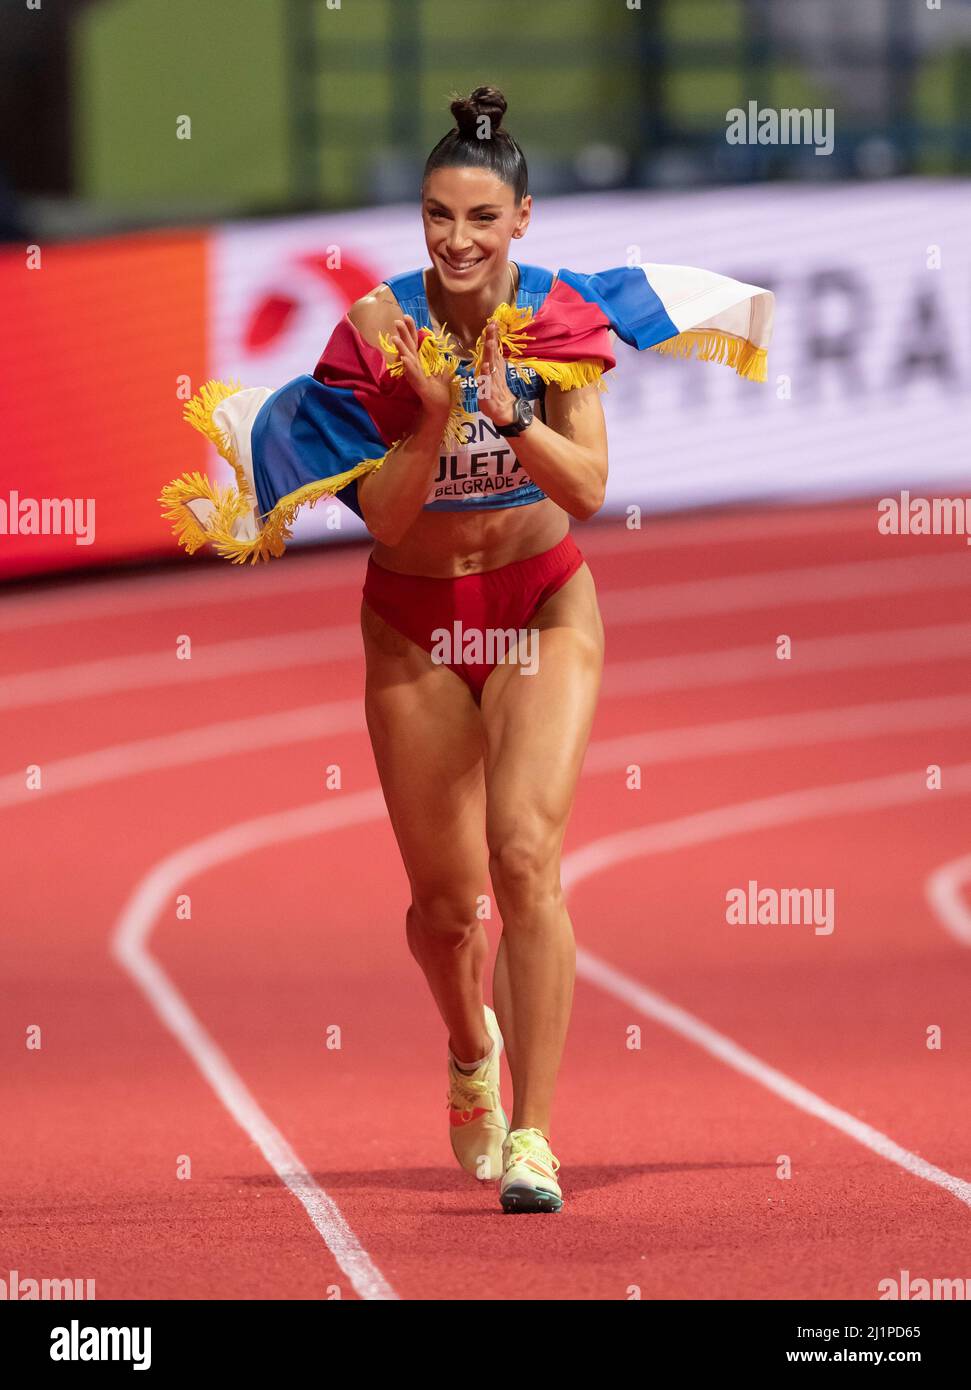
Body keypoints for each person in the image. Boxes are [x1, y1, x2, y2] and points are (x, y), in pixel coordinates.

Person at [343, 85, 607, 1213]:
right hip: (414, 623)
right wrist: (436, 411)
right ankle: (466, 1045)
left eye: (481, 220)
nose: (457, 240)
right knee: (446, 910)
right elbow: (384, 520)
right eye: (437, 216)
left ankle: (536, 1135)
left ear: (522, 220)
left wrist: (509, 416)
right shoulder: (374, 331)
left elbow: (589, 490)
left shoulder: (557, 322)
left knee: (524, 859)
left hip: (541, 603)